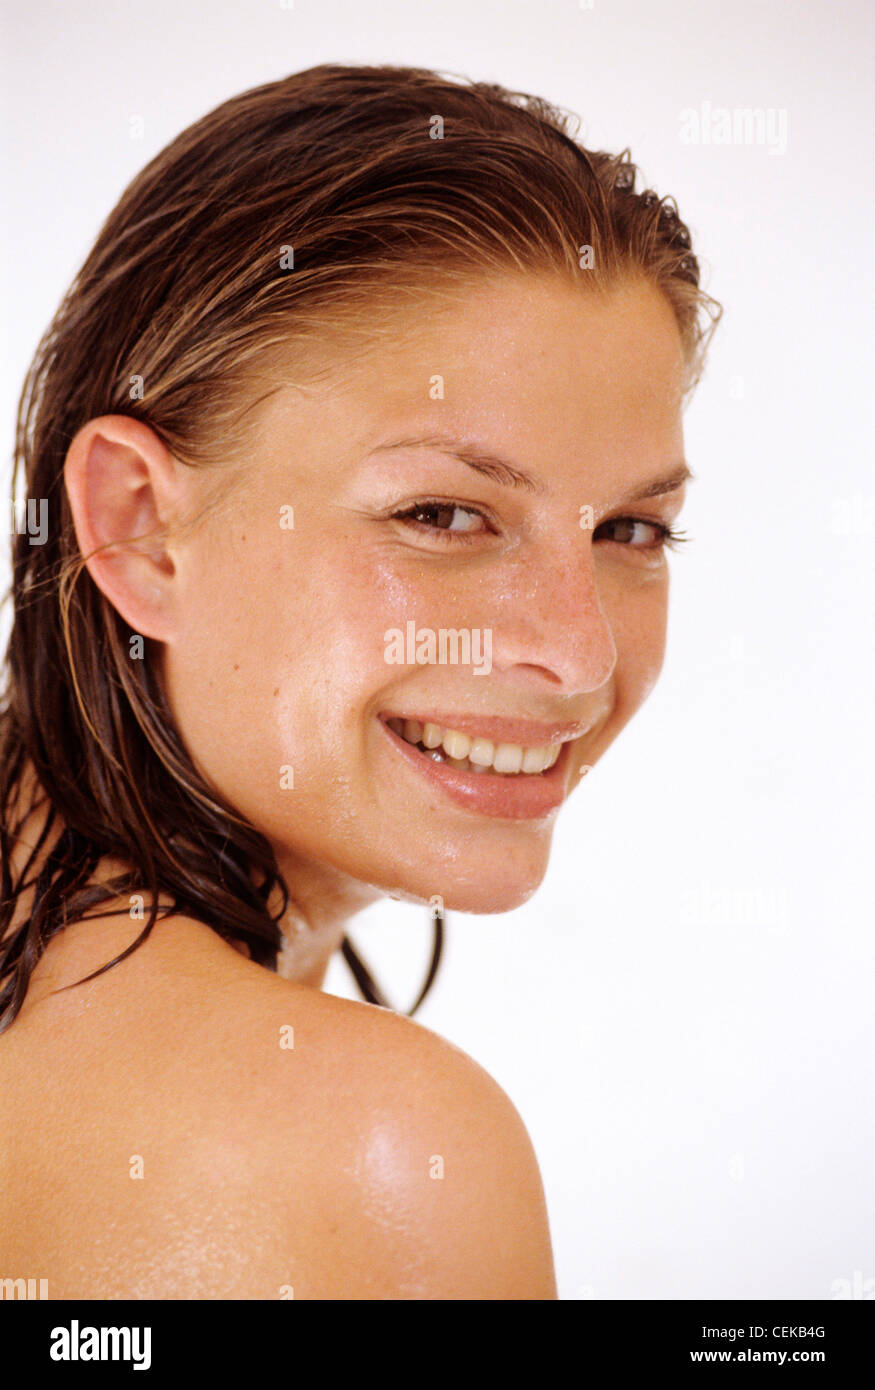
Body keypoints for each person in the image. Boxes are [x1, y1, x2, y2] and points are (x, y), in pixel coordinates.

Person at [0, 64, 720, 1299]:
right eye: (442, 513)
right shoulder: (373, 1151)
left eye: (630, 533)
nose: (579, 654)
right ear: (136, 528)